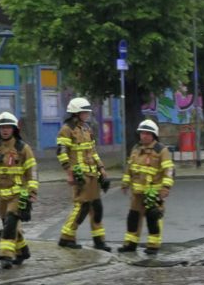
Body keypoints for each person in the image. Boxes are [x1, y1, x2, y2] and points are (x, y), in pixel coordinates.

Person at [0, 112, 38, 270]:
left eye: (8, 127)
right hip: (1, 197)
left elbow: (32, 171)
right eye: (2, 127)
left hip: (19, 195)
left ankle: (6, 256)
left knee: (10, 225)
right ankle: (23, 251)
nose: (5, 130)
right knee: (10, 226)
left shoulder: (23, 149)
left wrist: (32, 192)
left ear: (14, 129)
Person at [56, 97, 111, 250]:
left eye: (87, 112)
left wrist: (101, 168)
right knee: (82, 207)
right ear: (76, 113)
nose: (87, 114)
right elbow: (61, 152)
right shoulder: (66, 129)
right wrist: (69, 173)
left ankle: (99, 241)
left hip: (92, 174)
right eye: (84, 112)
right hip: (80, 176)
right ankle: (66, 237)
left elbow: (93, 151)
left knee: (96, 207)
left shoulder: (87, 128)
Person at [119, 120, 174, 255]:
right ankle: (130, 244)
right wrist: (125, 183)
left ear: (153, 135)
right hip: (137, 193)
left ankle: (153, 245)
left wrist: (166, 187)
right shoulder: (136, 149)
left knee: (152, 218)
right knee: (133, 218)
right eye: (142, 133)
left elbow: (169, 170)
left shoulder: (161, 150)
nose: (143, 136)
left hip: (153, 193)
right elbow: (129, 168)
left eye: (147, 133)